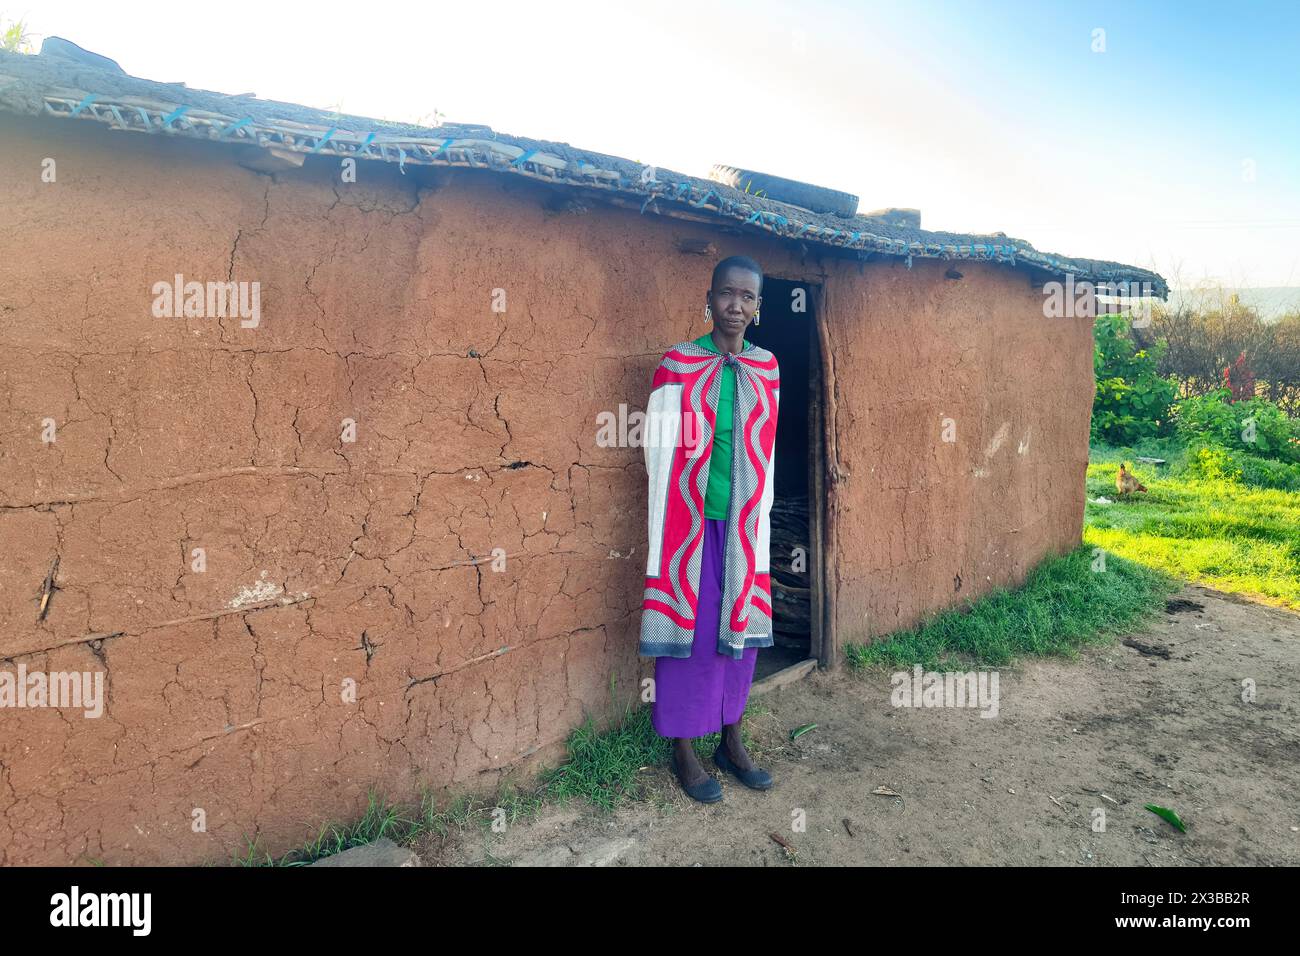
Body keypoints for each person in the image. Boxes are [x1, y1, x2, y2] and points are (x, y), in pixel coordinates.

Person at [639, 255, 780, 802]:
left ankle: (731, 738)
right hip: (689, 526)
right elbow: (655, 450)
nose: (735, 306)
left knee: (738, 634)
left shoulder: (768, 368)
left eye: (747, 297)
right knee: (691, 633)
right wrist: (683, 505)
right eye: (726, 294)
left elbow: (766, 452)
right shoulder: (678, 365)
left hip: (744, 527)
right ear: (709, 298)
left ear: (759, 307)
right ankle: (682, 747)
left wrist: (755, 511)